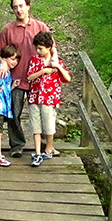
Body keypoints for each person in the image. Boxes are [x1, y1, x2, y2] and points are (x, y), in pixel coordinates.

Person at [0, 0, 51, 158]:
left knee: (41, 113)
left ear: (28, 6)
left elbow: (52, 46)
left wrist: (53, 60)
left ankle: (43, 147)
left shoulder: (40, 27)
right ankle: (17, 145)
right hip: (16, 79)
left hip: (38, 79)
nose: (19, 10)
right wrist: (4, 62)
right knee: (14, 113)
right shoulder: (8, 29)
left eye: (21, 6)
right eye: (15, 7)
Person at [26, 31, 71, 167]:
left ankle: (49, 149)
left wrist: (57, 66)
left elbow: (67, 78)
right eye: (37, 48)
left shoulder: (56, 63)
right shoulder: (34, 60)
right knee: (36, 126)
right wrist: (42, 72)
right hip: (34, 97)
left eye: (41, 48)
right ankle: (38, 152)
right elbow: (29, 77)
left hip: (49, 98)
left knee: (49, 125)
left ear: (49, 48)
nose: (38, 51)